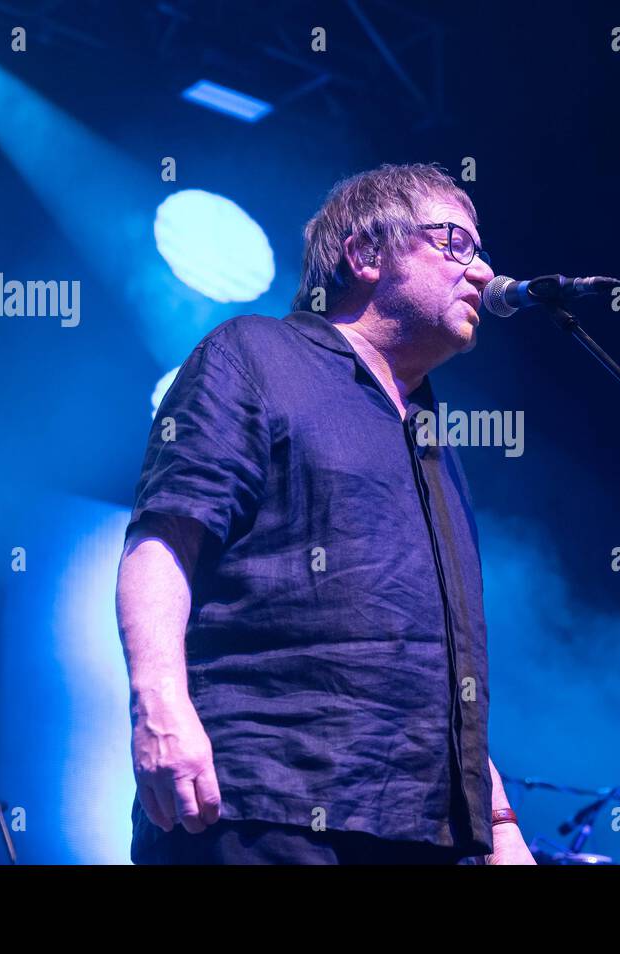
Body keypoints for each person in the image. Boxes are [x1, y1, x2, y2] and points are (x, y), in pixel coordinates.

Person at [115, 163, 535, 864]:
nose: (483, 271)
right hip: (260, 804)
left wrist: (498, 819)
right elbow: (164, 537)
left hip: (419, 830)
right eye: (454, 242)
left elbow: (439, 654)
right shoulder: (254, 353)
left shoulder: (431, 434)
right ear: (366, 254)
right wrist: (156, 706)